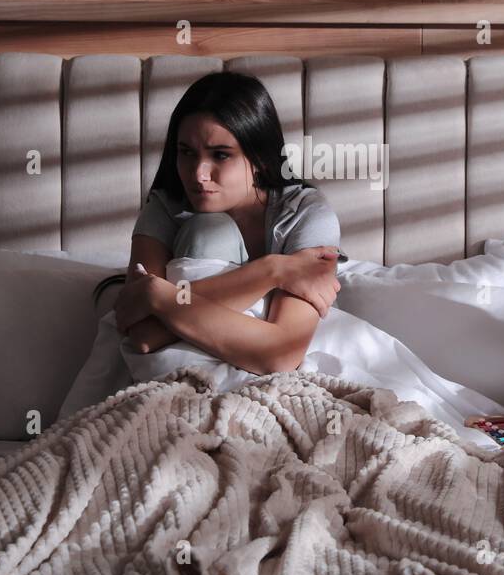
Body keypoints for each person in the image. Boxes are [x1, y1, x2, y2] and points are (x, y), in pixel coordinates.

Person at [106, 71, 343, 376]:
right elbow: (143, 335)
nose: (198, 174)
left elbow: (278, 356)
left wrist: (158, 296)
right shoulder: (165, 209)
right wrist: (272, 270)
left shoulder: (306, 214)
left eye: (220, 155)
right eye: (186, 153)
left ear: (261, 160)